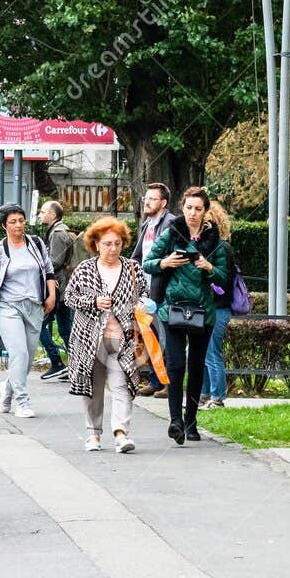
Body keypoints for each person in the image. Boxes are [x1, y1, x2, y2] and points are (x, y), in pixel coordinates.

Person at [142, 186, 229, 446]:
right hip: (174, 309)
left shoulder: (215, 241)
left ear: (205, 211)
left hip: (204, 312)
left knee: (197, 367)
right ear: (183, 208)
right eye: (189, 208)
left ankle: (191, 421)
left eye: (198, 209)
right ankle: (175, 421)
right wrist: (165, 262)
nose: (192, 213)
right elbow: (148, 262)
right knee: (176, 364)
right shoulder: (171, 234)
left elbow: (225, 277)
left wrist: (209, 267)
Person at [0, 203, 56, 419]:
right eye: (13, 222)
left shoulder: (36, 244)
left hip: (34, 306)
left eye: (21, 220)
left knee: (26, 359)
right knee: (19, 354)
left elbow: (48, 270)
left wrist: (51, 295)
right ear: (3, 226)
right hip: (8, 307)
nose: (18, 225)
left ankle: (7, 388)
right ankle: (22, 402)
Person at [65, 217, 147, 454]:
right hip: (89, 339)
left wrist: (142, 303)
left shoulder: (133, 268)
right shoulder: (85, 269)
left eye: (118, 244)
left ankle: (121, 434)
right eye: (108, 243)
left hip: (123, 339)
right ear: (96, 244)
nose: (113, 249)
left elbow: (146, 295)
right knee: (94, 387)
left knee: (122, 384)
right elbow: (69, 297)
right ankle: (93, 434)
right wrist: (93, 301)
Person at [131, 182, 173, 397]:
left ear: (163, 203)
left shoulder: (170, 224)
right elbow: (138, 256)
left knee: (164, 338)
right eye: (145, 198)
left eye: (152, 199)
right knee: (151, 337)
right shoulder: (147, 224)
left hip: (162, 291)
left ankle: (169, 384)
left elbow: (170, 259)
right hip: (145, 291)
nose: (147, 202)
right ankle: (156, 381)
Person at [202, 199, 237, 409]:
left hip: (218, 307)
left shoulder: (221, 249)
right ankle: (205, 394)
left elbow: (222, 280)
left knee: (212, 352)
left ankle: (217, 397)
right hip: (210, 307)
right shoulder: (215, 248)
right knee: (201, 352)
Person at [37, 200, 77, 382]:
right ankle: (76, 369)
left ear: (53, 215)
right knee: (65, 329)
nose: (40, 214)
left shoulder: (58, 234)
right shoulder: (58, 231)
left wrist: (37, 265)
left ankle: (57, 362)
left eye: (43, 211)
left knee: (38, 325)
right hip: (63, 287)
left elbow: (55, 262)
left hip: (59, 289)